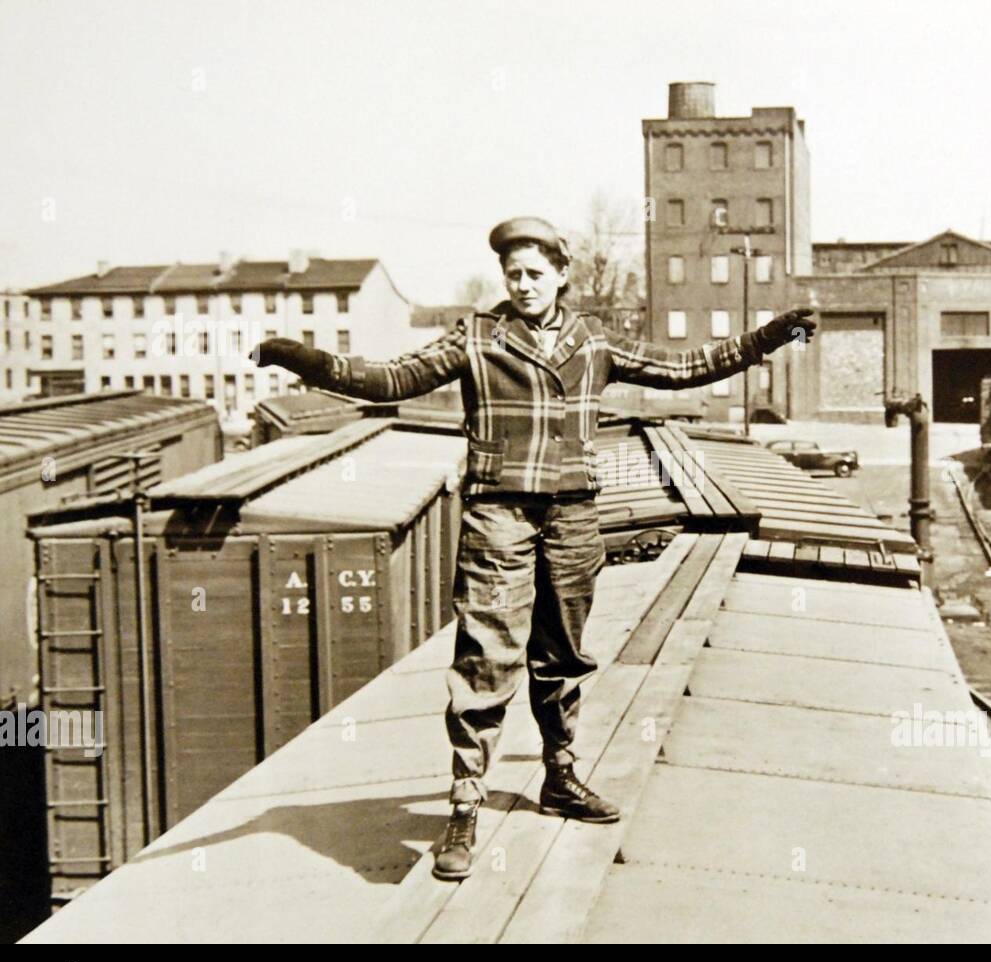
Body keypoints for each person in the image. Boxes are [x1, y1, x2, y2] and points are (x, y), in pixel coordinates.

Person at [252, 216, 816, 880]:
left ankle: (560, 774)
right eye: (512, 274)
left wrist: (771, 335)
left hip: (574, 514)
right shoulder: (478, 338)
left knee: (564, 653)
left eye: (534, 273)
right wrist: (298, 357)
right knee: (487, 655)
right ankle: (464, 803)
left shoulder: (593, 340)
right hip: (499, 514)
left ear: (561, 276)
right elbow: (388, 379)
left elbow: (687, 366)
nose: (522, 285)